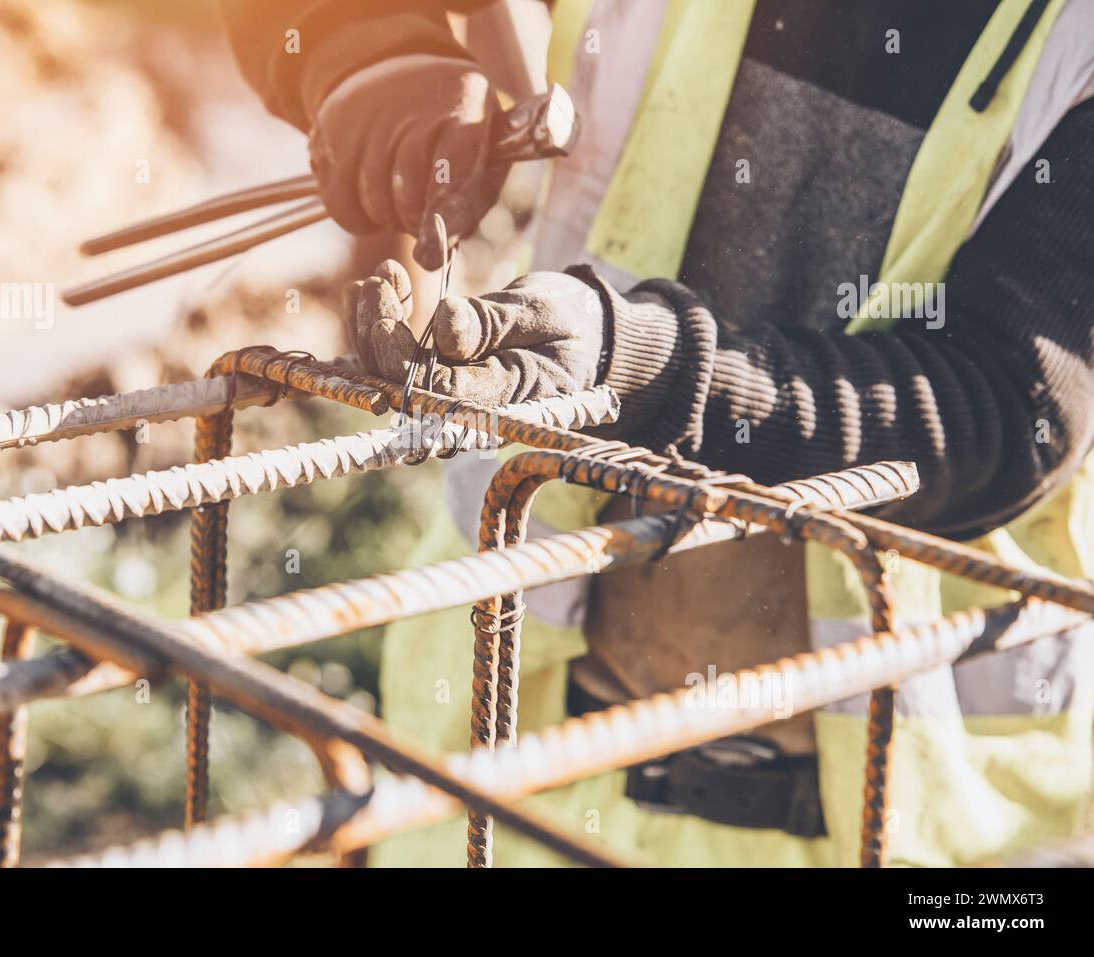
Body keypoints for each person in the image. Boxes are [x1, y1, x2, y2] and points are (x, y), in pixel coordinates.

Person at [223, 0, 1094, 866]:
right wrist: (368, 54)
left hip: (905, 829)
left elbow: (1010, 408)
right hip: (516, 778)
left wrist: (645, 368)